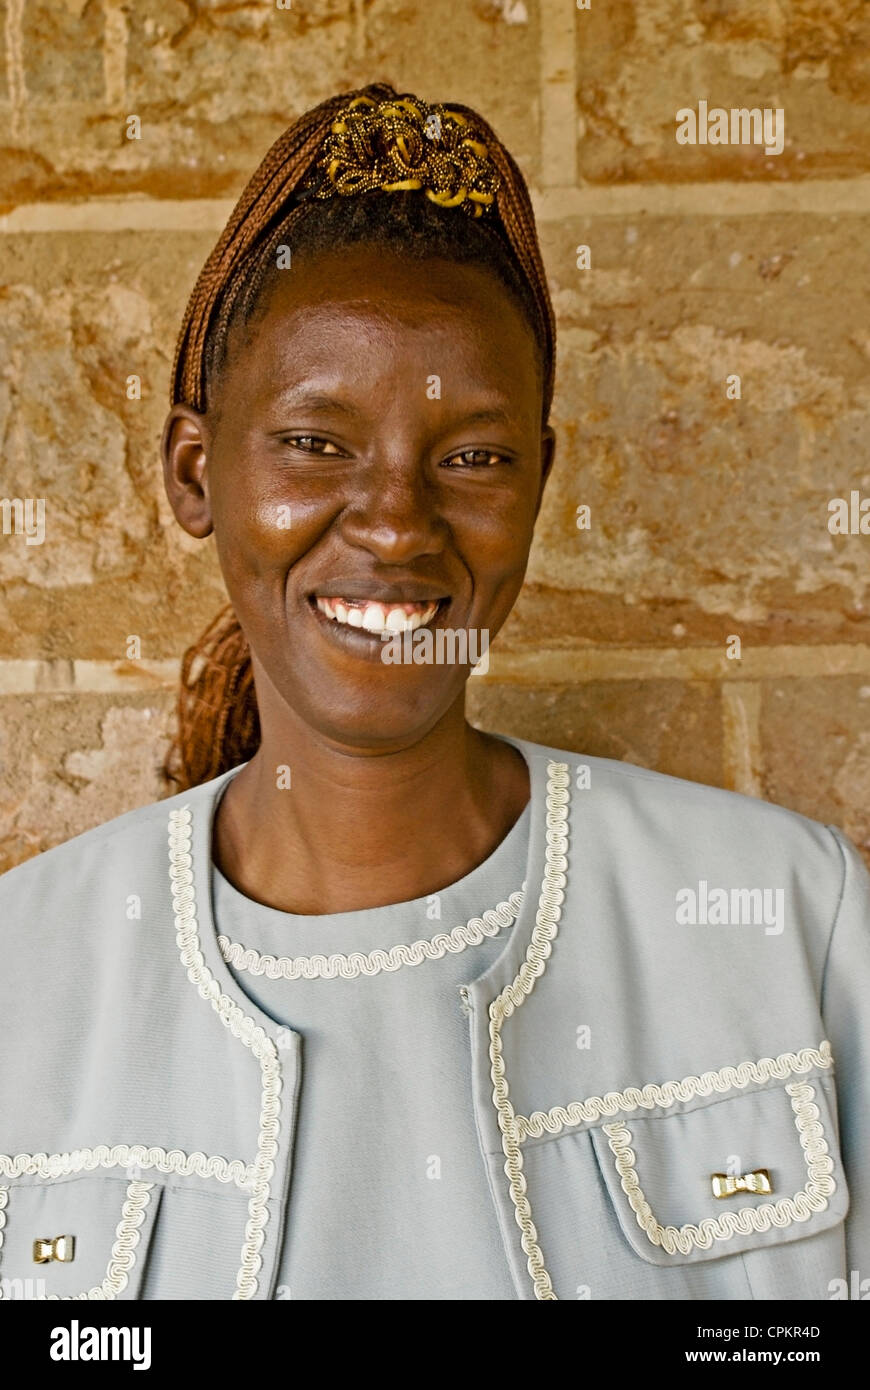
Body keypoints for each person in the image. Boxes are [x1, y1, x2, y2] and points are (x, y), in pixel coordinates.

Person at [0, 83, 867, 1303]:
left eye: (474, 457)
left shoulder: (787, 922)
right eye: (316, 443)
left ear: (540, 483)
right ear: (196, 473)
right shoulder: (24, 980)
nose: (397, 522)